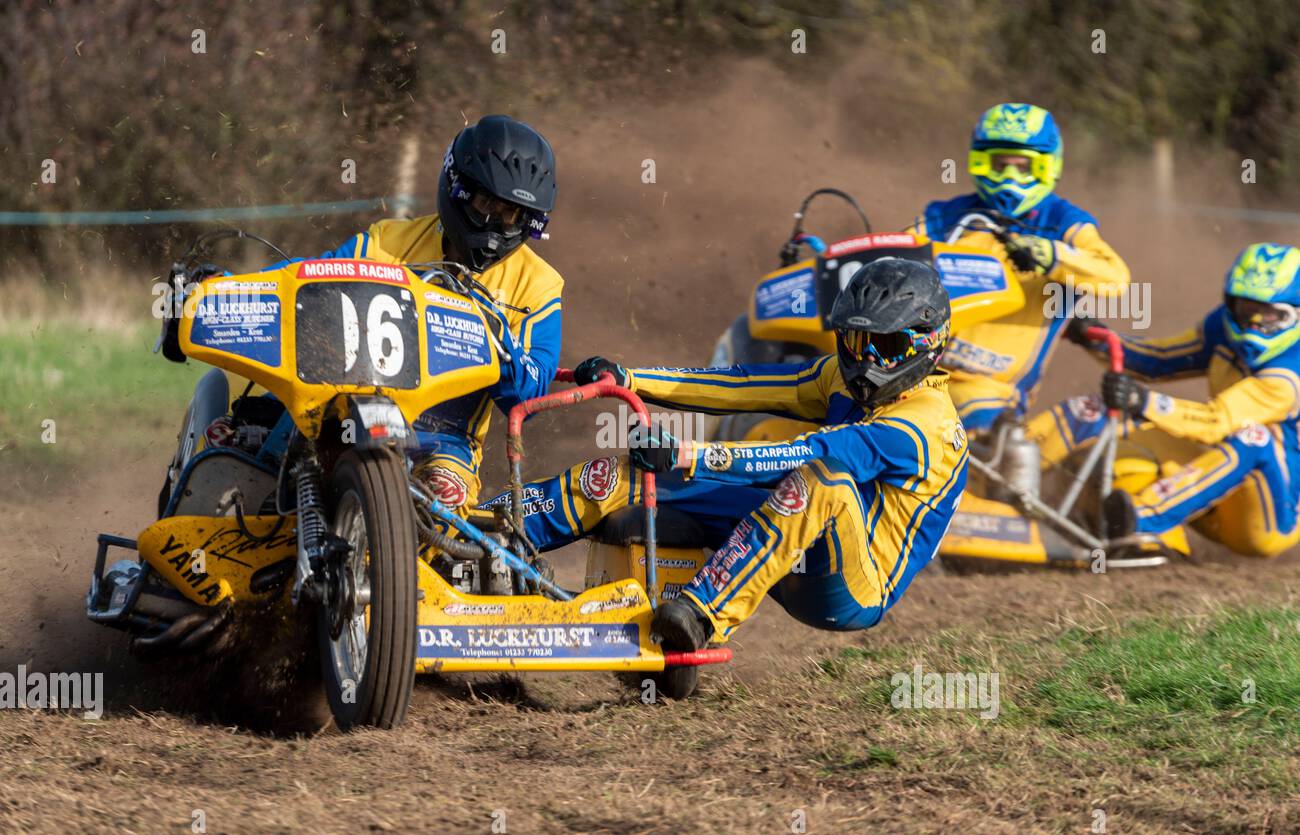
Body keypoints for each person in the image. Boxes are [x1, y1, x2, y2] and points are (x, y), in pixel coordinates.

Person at [483, 259, 968, 651]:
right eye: (855, 342)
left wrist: (686, 454)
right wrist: (628, 379)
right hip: (789, 536)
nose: (864, 360)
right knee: (622, 473)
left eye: (883, 346)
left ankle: (698, 616)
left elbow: (802, 453)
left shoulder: (924, 426)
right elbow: (740, 386)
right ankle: (478, 536)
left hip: (849, 590)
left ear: (927, 344)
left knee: (822, 479)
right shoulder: (840, 378)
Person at [307, 114, 562, 512]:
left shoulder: (539, 285)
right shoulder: (385, 243)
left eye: (513, 215)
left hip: (445, 442)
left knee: (444, 510)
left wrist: (493, 335)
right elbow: (305, 287)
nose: (497, 225)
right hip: (336, 413)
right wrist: (220, 290)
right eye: (487, 204)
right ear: (456, 187)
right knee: (252, 445)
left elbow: (528, 397)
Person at [1029, 242, 1300, 557]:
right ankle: (1004, 475)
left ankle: (1141, 521)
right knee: (1096, 410)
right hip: (1215, 487)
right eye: (1246, 309)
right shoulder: (1223, 327)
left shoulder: (1288, 376)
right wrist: (1093, 336)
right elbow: (1157, 359)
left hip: (1268, 518)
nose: (1253, 323)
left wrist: (1143, 402)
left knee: (1254, 438)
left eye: (1268, 315)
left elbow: (1214, 422)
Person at [907, 102, 1130, 432]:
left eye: (1022, 166)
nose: (1010, 176)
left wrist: (1051, 256)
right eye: (1000, 164)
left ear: (1047, 166)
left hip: (991, 394)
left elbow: (1115, 276)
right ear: (980, 162)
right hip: (912, 371)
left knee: (952, 442)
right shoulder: (948, 216)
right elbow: (891, 255)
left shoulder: (1063, 222)